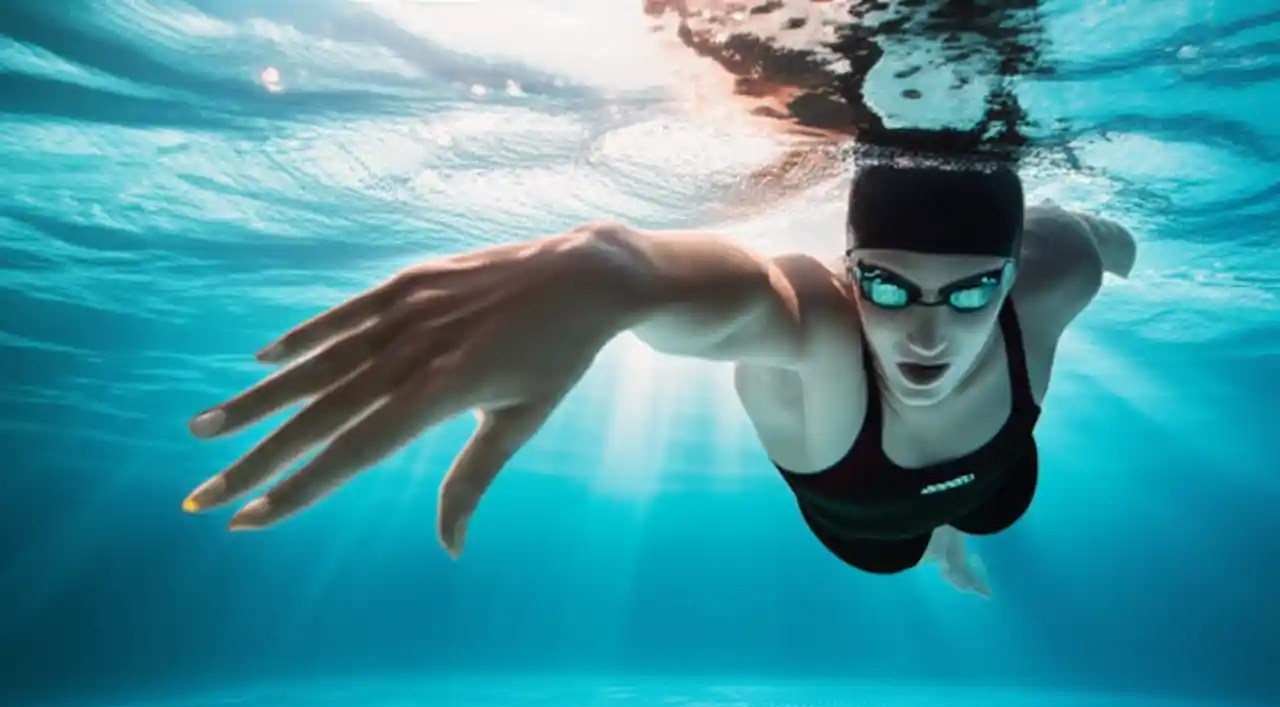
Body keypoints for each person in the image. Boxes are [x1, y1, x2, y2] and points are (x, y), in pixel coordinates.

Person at [180, 160, 1137, 597]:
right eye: (886, 284)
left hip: (998, 477)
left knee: (992, 506)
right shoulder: (818, 340)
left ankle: (955, 538)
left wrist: (1115, 238)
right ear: (848, 273)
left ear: (1013, 276)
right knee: (899, 552)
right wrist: (612, 275)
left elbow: (1095, 239)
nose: (926, 331)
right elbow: (762, 293)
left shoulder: (1058, 274)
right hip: (867, 530)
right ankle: (932, 549)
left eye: (972, 294)